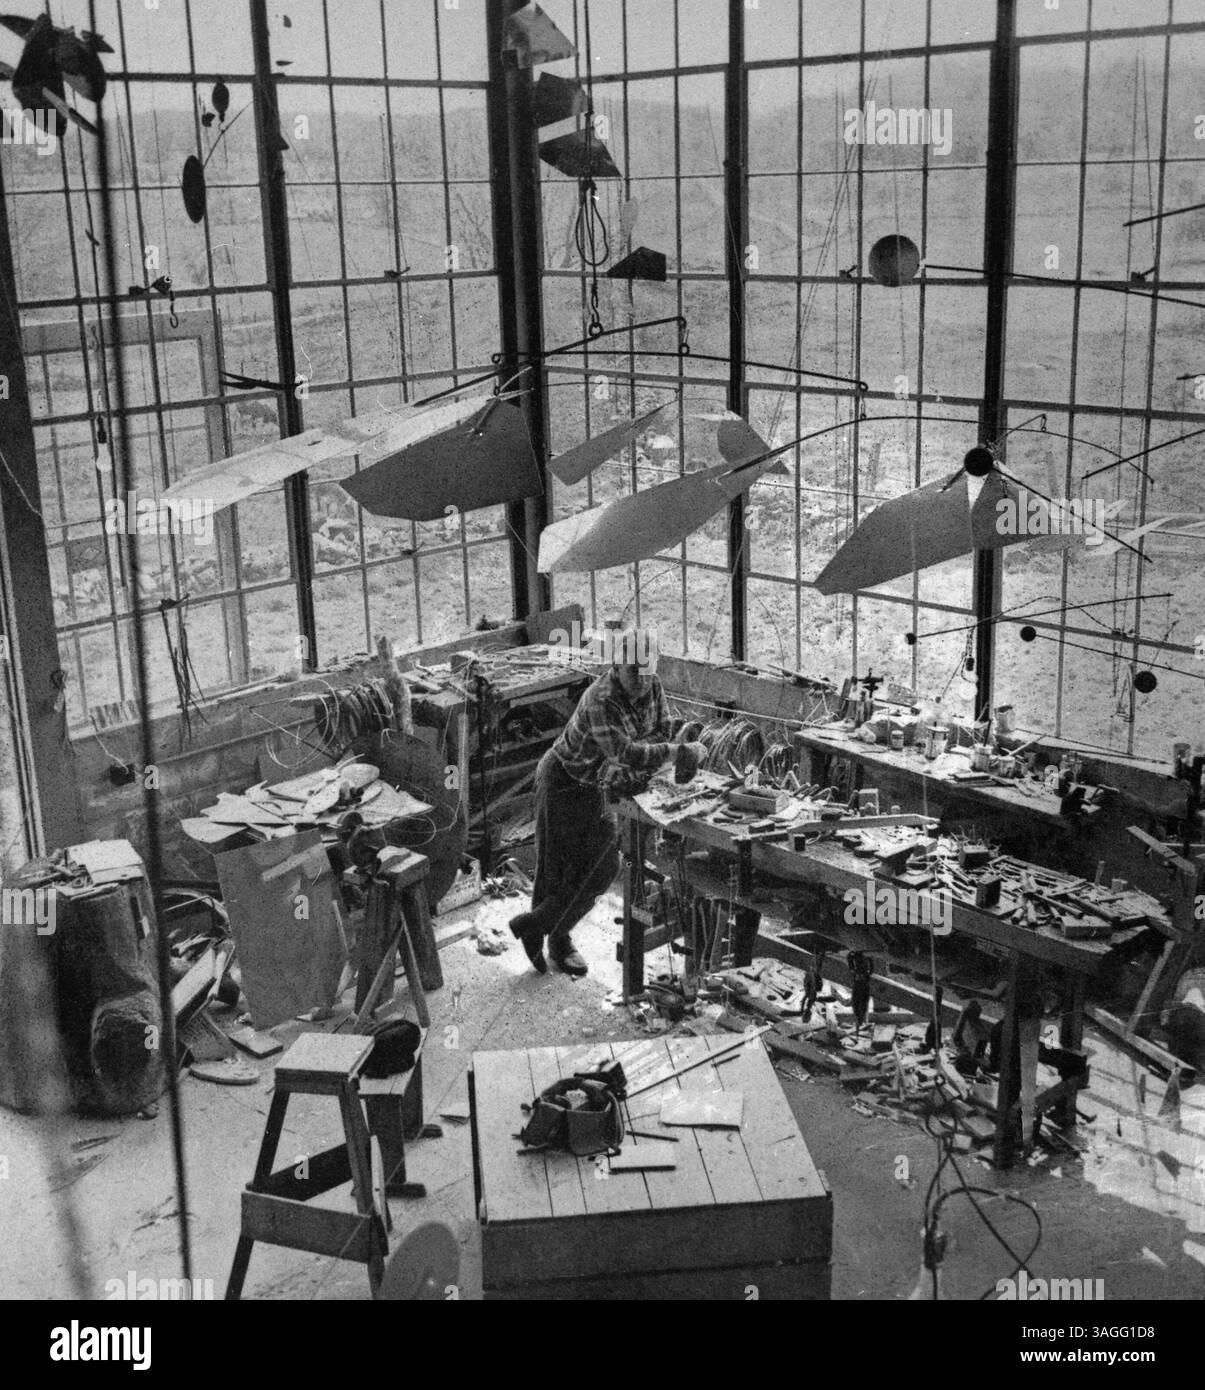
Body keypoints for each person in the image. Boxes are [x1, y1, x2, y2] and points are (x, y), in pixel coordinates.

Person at [509, 627, 703, 977]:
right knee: (555, 870)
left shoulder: (652, 685)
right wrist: (673, 752)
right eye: (633, 672)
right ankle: (556, 941)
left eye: (648, 671)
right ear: (616, 664)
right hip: (563, 780)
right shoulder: (601, 698)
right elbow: (626, 751)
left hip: (600, 785)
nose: (642, 681)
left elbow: (659, 731)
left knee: (604, 867)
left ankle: (536, 924)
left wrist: (656, 751)